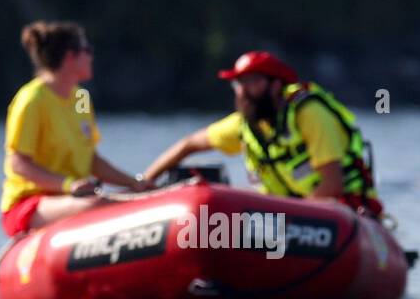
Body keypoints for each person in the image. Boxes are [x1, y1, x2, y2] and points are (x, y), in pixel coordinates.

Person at [142, 51, 382, 214]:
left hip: (345, 212)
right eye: (239, 84)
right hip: (293, 218)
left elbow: (332, 186)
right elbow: (189, 144)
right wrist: (143, 183)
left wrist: (289, 221)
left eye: (252, 82)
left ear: (276, 85)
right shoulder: (245, 125)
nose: (243, 91)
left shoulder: (309, 114)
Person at [0, 20, 148, 237]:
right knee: (98, 204)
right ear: (70, 57)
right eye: (87, 50)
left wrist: (135, 183)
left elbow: (92, 161)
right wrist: (69, 185)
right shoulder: (31, 100)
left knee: (132, 200)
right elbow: (19, 164)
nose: (92, 56)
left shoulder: (81, 98)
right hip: (29, 204)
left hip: (74, 197)